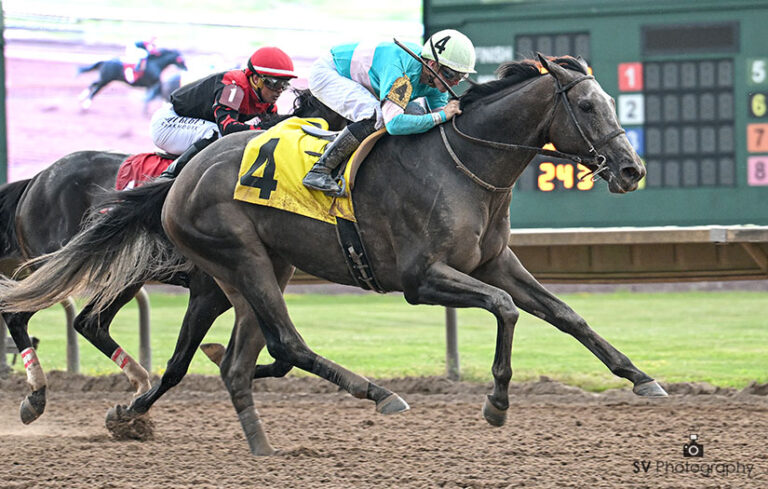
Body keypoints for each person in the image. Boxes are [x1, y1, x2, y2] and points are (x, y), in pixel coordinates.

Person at [302, 29, 476, 195]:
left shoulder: (435, 78)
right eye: (451, 75)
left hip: (366, 81)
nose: (455, 83)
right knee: (377, 116)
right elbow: (394, 124)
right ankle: (319, 170)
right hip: (329, 73)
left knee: (416, 112)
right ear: (432, 65)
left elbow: (440, 122)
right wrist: (441, 115)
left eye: (460, 77)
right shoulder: (403, 72)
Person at [150, 46, 297, 178]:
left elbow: (274, 132)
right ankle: (169, 175)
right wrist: (263, 128)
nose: (279, 90)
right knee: (216, 134)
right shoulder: (234, 87)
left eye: (284, 84)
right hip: (168, 123)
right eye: (275, 83)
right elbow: (228, 129)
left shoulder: (266, 101)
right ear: (256, 79)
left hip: (190, 123)